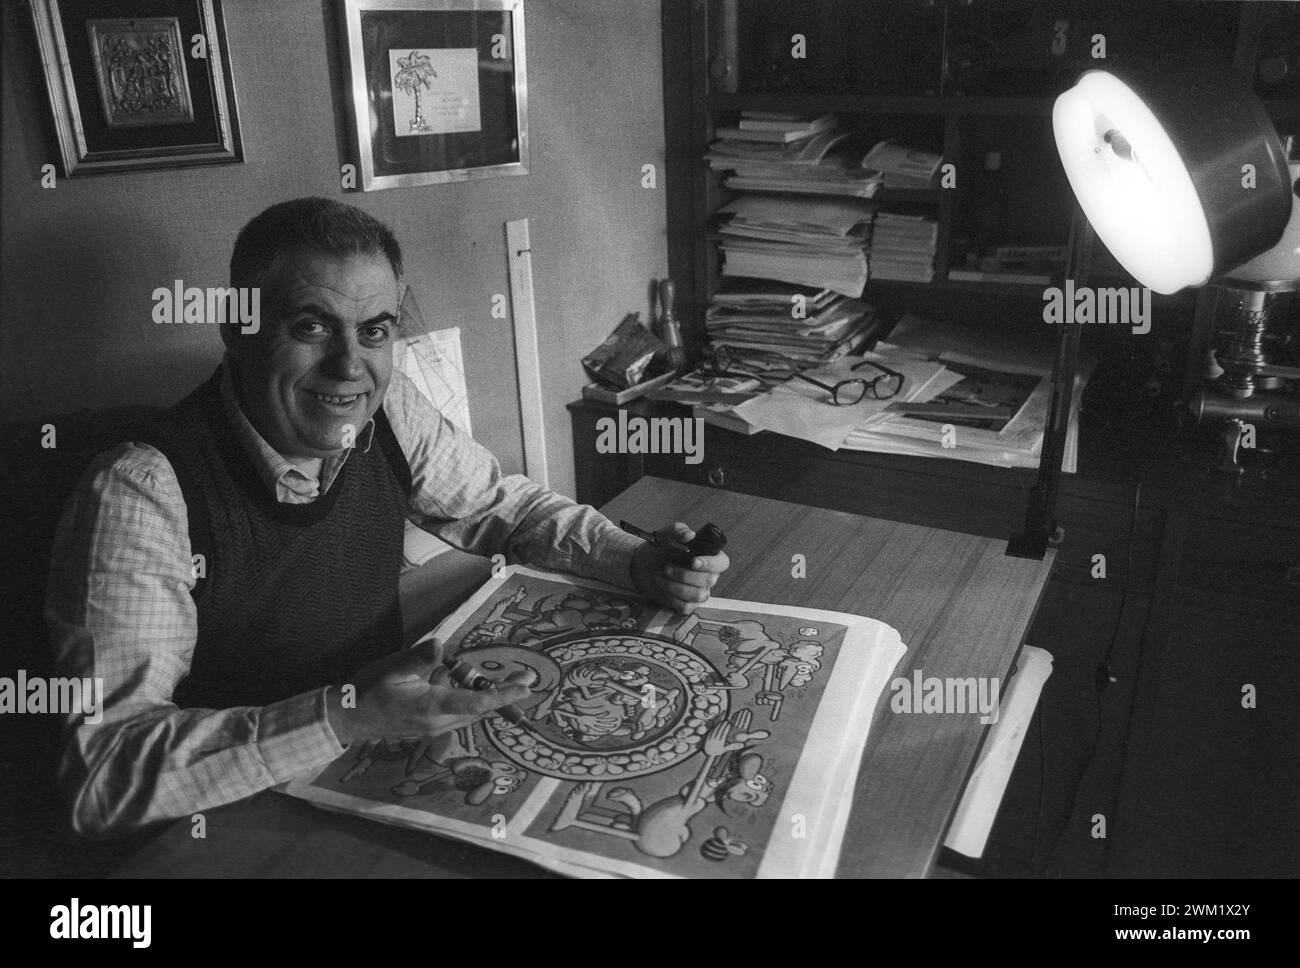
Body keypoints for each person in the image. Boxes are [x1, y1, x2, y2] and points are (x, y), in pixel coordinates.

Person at [44, 197, 729, 838]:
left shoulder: (388, 410)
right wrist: (342, 716)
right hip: (226, 825)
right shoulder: (141, 493)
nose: (350, 366)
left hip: (365, 773)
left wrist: (631, 558)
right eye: (311, 326)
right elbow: (101, 774)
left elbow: (504, 508)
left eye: (376, 330)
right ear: (237, 327)